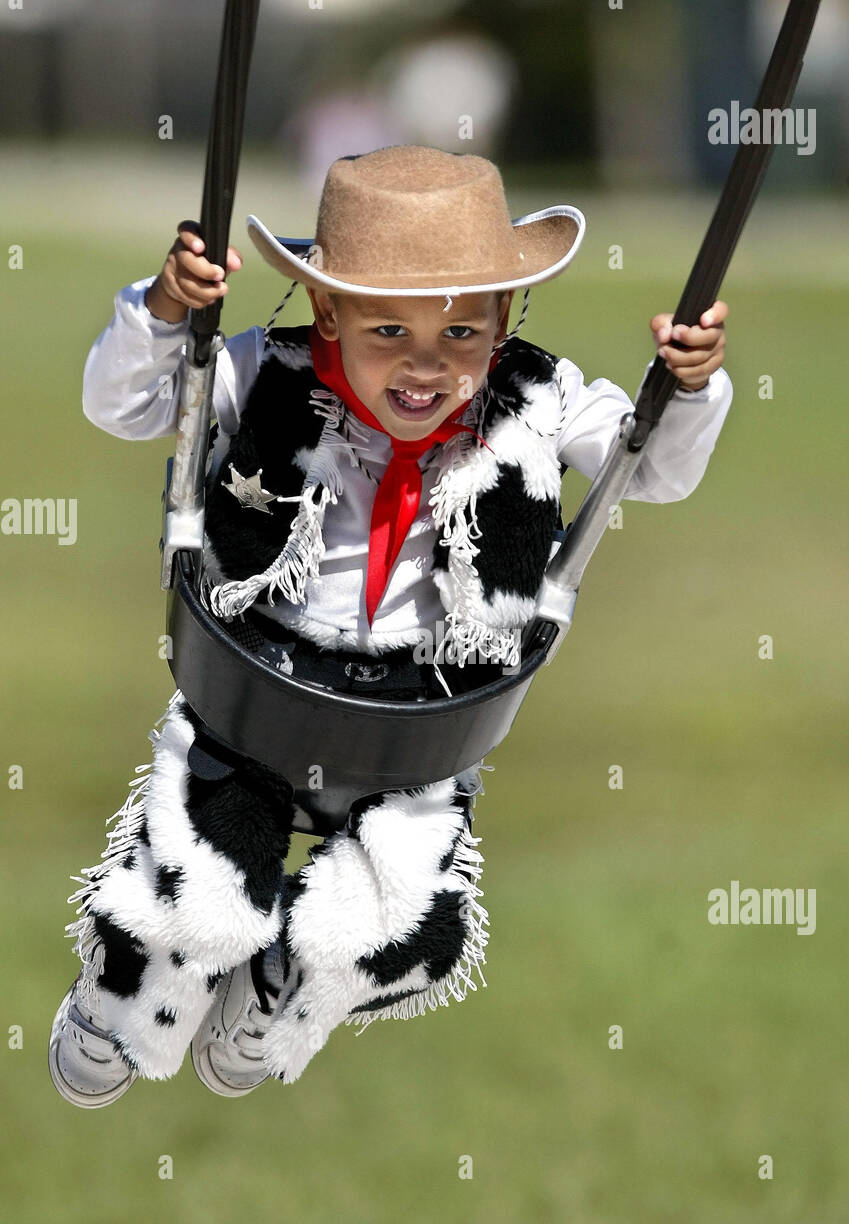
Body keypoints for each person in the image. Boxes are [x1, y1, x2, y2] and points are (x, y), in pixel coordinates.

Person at [49, 145, 731, 1108]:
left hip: (425, 716)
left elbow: (654, 468)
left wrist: (689, 390)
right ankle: (122, 999)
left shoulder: (541, 398)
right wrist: (165, 314)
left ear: (504, 316)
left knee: (407, 927)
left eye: (462, 330)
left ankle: (286, 990)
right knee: (190, 900)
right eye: (387, 330)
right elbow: (120, 403)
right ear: (327, 313)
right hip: (255, 687)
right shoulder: (259, 370)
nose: (426, 364)